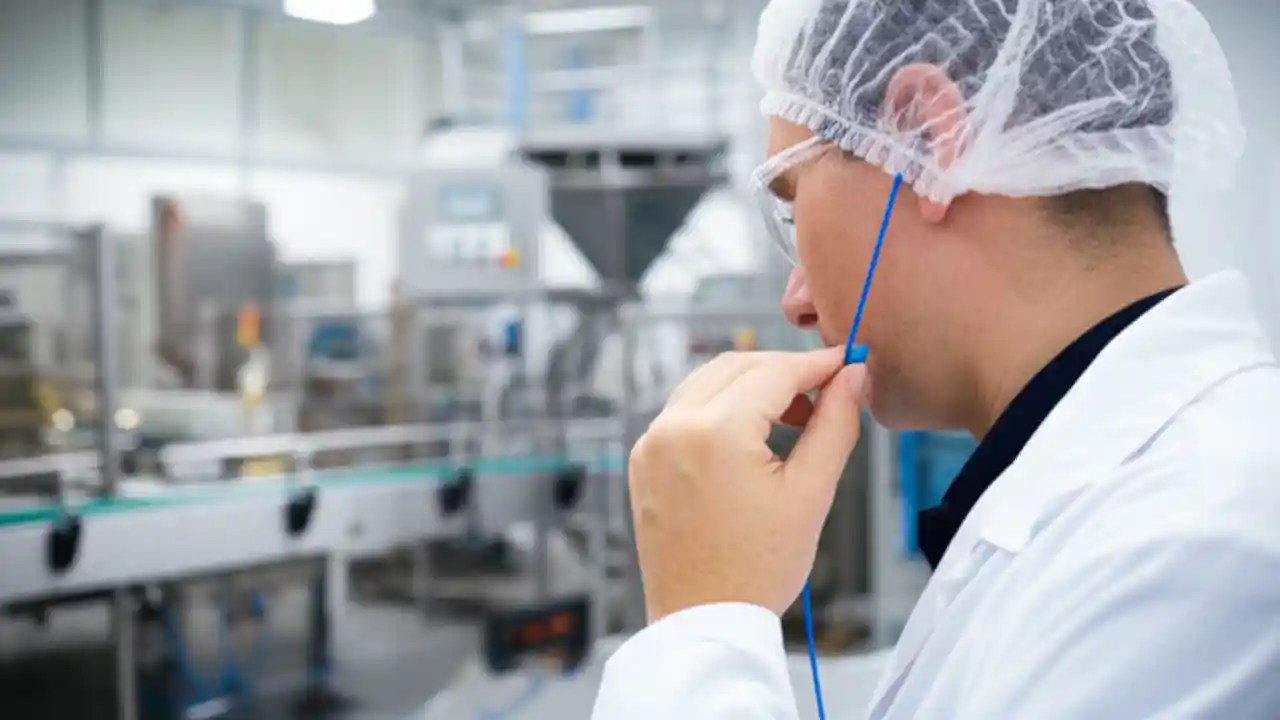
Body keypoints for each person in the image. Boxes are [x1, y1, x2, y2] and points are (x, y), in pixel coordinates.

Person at [592, 0, 1280, 718]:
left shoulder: (1203, 543)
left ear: (922, 137)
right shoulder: (1121, 512)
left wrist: (704, 621)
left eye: (793, 210)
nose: (795, 301)